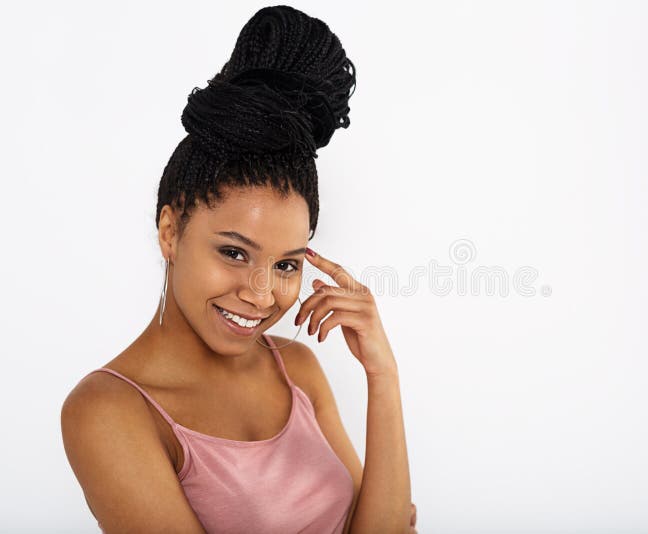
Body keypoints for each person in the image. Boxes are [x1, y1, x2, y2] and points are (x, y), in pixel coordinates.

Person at [60, 5, 415, 533]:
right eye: (233, 252)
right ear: (170, 231)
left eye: (287, 264)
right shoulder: (107, 410)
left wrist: (383, 377)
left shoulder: (295, 369)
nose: (261, 293)